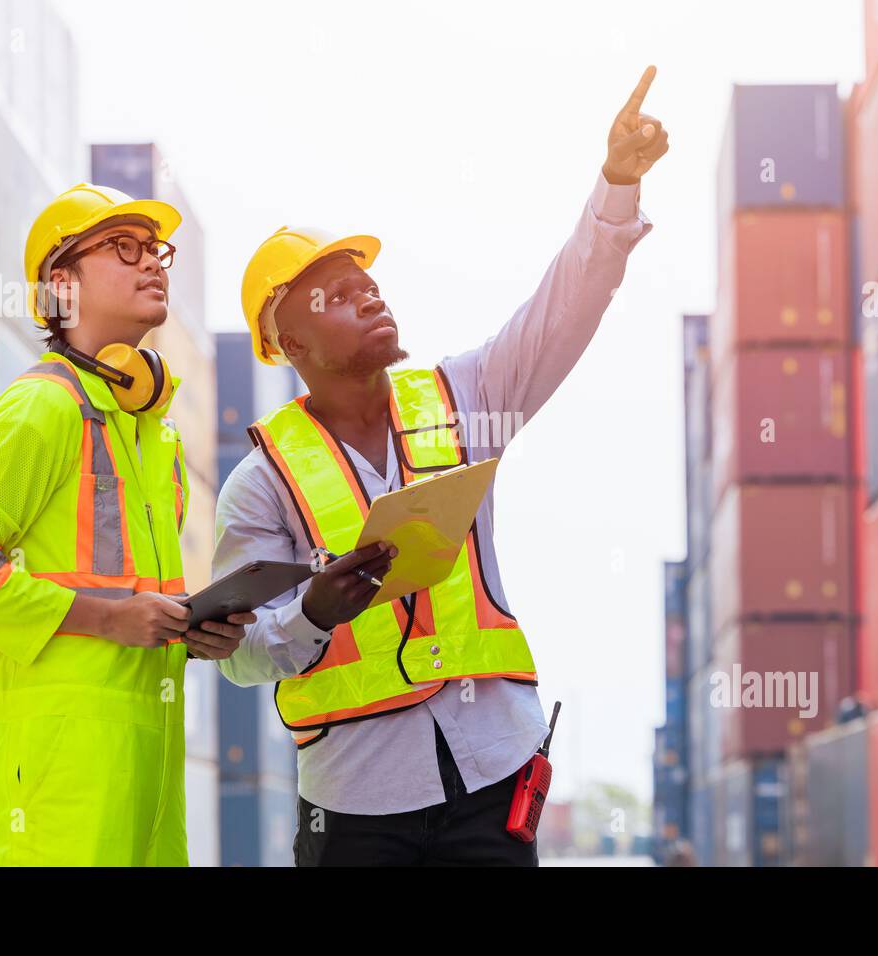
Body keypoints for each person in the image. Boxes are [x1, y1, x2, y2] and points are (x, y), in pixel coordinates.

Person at [215, 67, 666, 865]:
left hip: (494, 776)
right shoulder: (262, 484)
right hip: (354, 806)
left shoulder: (467, 398)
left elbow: (565, 306)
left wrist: (615, 185)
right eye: (336, 294)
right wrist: (313, 610)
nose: (370, 295)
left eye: (370, 284)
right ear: (288, 343)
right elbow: (241, 655)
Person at [0, 183, 248, 865]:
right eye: (124, 247)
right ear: (62, 288)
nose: (151, 262)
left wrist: (189, 629)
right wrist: (110, 620)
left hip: (147, 772)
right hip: (55, 785)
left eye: (156, 250)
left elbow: (127, 593)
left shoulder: (155, 438)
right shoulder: (43, 407)